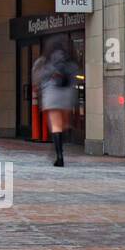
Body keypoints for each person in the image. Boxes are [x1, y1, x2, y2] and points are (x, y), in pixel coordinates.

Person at [31, 34, 80, 167]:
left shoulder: (45, 60)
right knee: (64, 125)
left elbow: (38, 77)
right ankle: (59, 149)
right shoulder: (71, 61)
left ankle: (59, 156)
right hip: (67, 95)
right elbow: (76, 77)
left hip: (52, 95)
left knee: (56, 125)